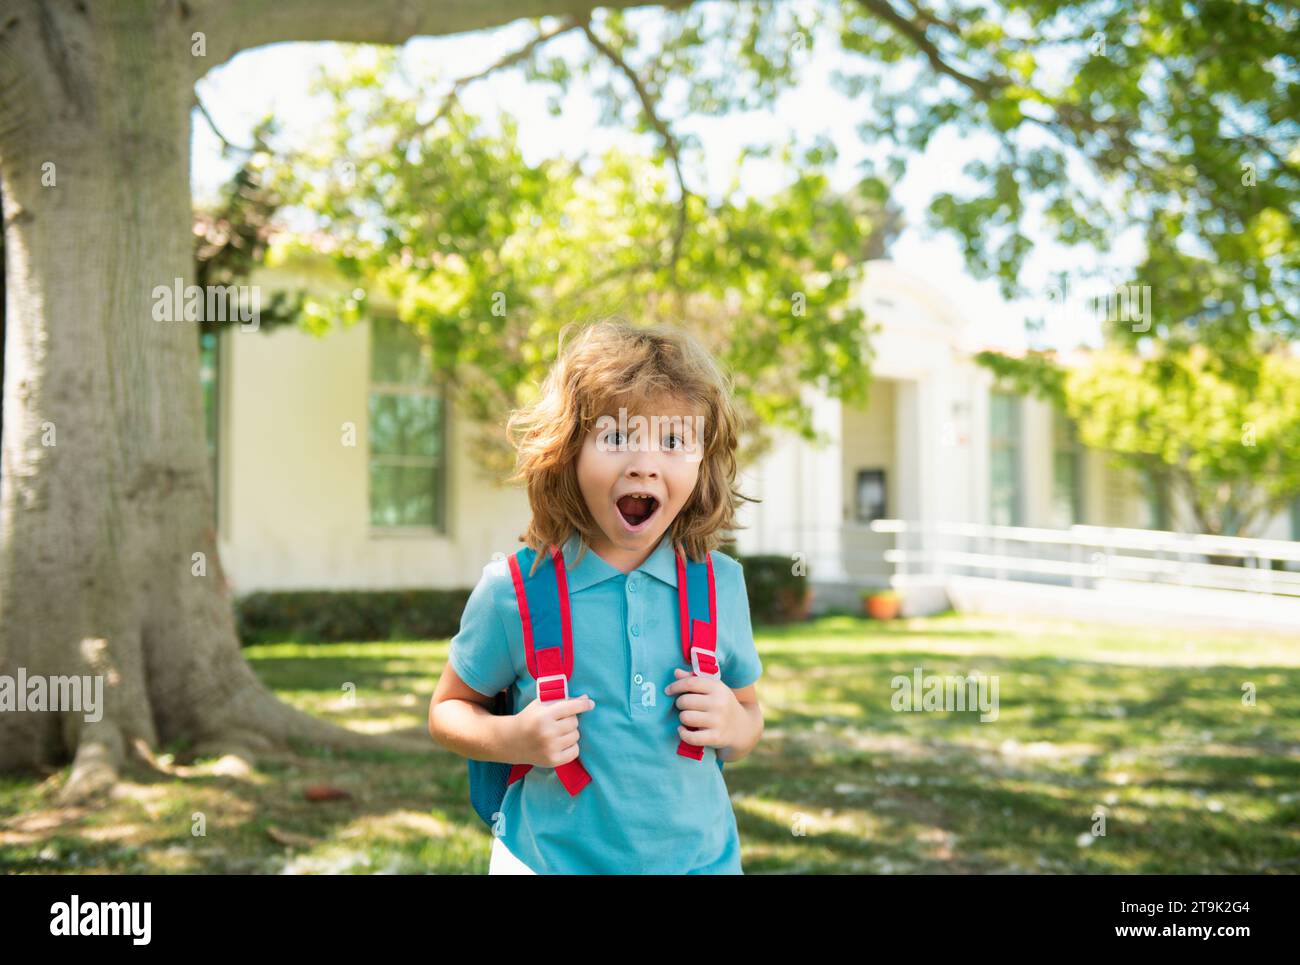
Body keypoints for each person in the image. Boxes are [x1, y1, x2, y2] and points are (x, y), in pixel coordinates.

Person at [428, 317, 765, 874]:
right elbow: (447, 711)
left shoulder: (719, 585)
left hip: (701, 862)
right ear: (568, 453)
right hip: (545, 862)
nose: (644, 463)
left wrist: (734, 723)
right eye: (615, 437)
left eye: (675, 441)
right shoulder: (515, 591)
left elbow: (749, 715)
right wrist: (513, 736)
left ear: (702, 463)